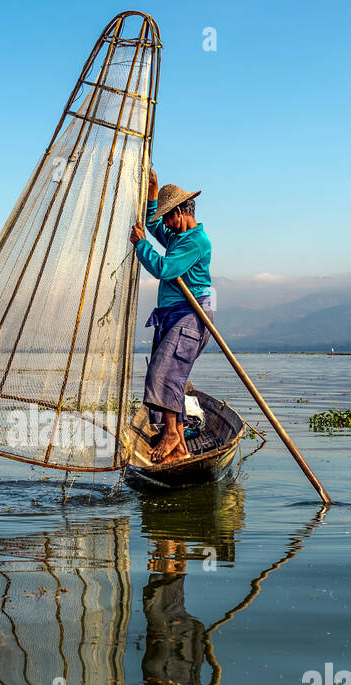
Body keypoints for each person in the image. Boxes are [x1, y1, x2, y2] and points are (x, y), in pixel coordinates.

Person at [129, 168, 213, 464]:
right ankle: (178, 445)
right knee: (170, 378)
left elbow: (164, 269)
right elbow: (154, 226)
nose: (164, 222)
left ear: (180, 212)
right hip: (173, 315)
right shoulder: (178, 235)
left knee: (163, 374)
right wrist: (153, 191)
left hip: (190, 316)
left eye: (168, 216)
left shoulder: (195, 241)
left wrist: (141, 245)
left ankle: (171, 434)